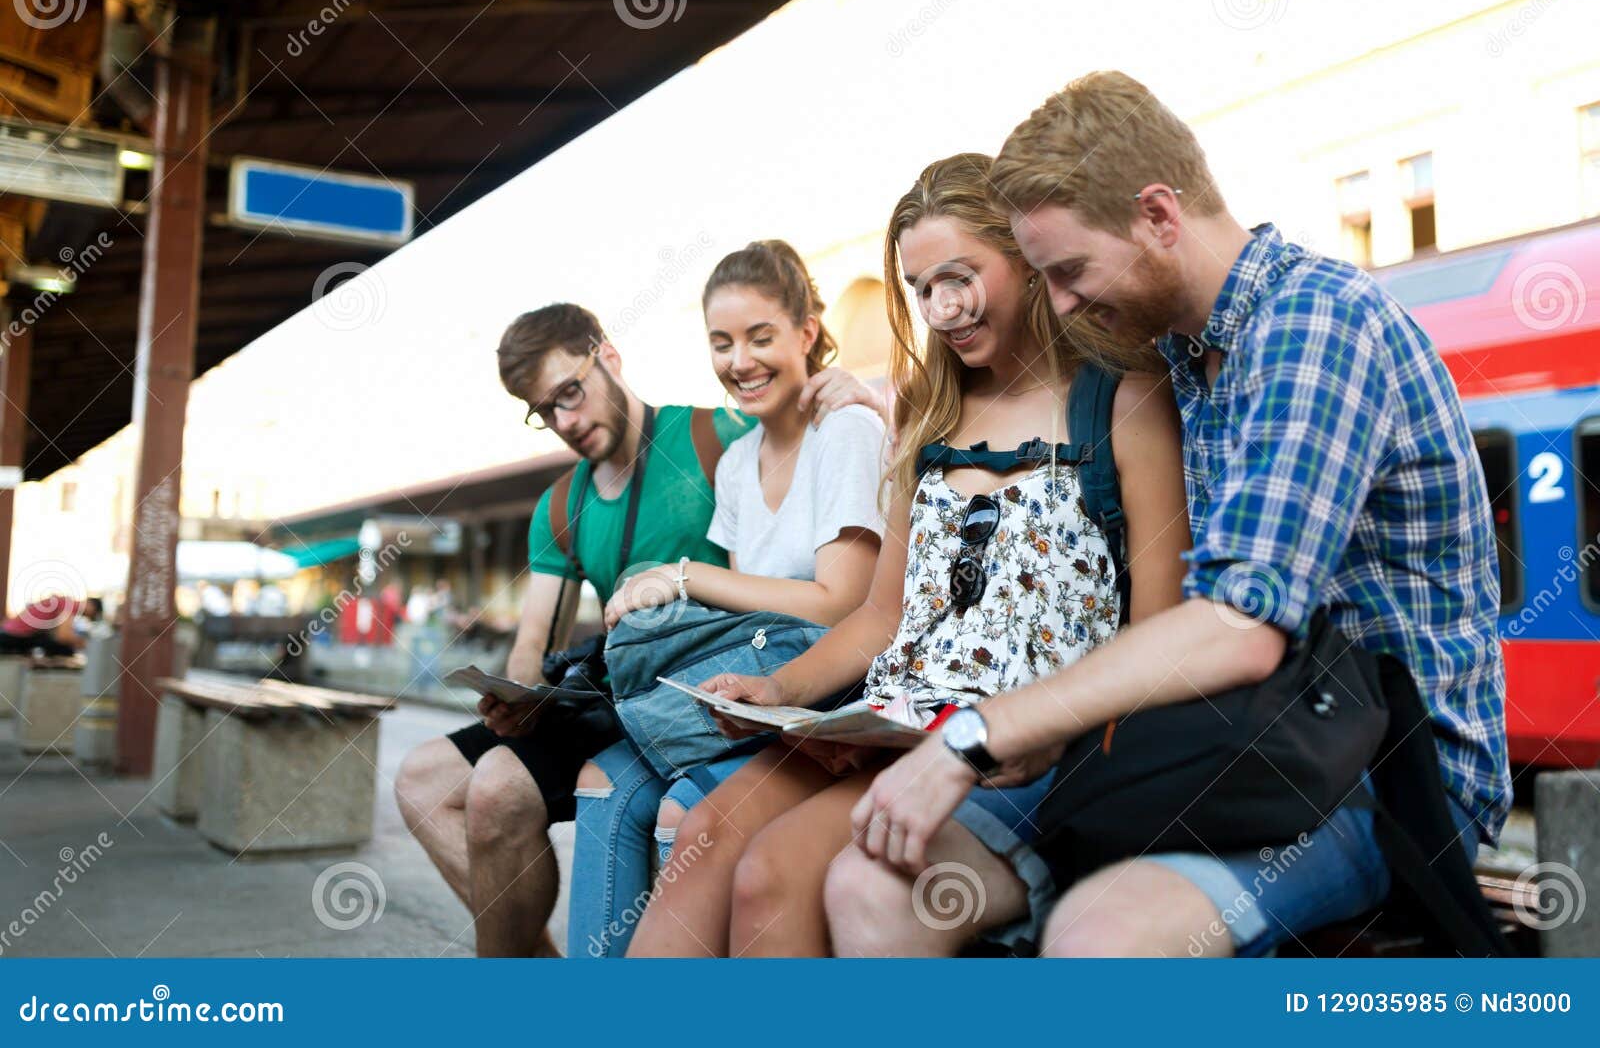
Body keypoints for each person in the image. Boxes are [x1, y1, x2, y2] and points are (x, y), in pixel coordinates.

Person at [847, 71, 1508, 958]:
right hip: (1220, 748)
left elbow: (1240, 624)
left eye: (1071, 271)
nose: (1064, 303)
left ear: (1159, 215)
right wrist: (842, 397)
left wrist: (975, 732)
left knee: (1102, 933)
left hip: (1372, 771)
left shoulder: (1317, 326)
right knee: (874, 883)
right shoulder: (1177, 347)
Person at [626, 154, 1190, 957]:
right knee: (706, 838)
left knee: (771, 875)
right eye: (921, 287)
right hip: (888, 720)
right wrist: (776, 688)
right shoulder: (929, 417)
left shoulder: (1123, 400)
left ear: (1027, 257)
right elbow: (881, 616)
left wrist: (1052, 732)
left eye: (960, 276)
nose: (942, 306)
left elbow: (1159, 637)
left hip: (1017, 751)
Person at [393, 301, 879, 957]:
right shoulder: (562, 502)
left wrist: (864, 393)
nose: (566, 421)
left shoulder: (718, 437)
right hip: (605, 694)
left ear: (608, 356)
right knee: (421, 777)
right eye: (546, 409)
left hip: (702, 684)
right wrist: (514, 694)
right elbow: (536, 636)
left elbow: (796, 416)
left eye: (571, 391)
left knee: (497, 787)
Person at [567, 240, 887, 956]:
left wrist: (686, 575)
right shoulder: (739, 463)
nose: (740, 360)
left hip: (825, 694)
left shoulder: (847, 432)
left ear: (807, 332)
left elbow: (842, 604)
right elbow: (749, 622)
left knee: (685, 810)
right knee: (601, 786)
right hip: (749, 688)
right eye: (722, 342)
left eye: (760, 336)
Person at [0, 594, 93, 656]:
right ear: (91, 605)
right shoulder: (70, 604)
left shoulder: (62, 601)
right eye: (94, 612)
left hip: (9, 632)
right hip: (14, 636)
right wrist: (85, 644)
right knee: (64, 650)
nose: (91, 617)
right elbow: (63, 636)